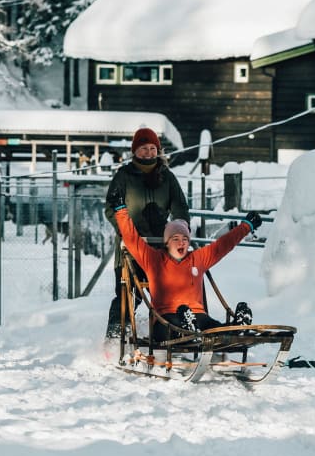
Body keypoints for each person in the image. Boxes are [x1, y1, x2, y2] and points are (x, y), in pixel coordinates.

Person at [109, 201, 263, 342]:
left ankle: (237, 330)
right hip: (165, 320)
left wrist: (246, 226)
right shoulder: (154, 259)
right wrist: (120, 210)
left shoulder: (198, 259)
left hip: (199, 316)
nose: (181, 242)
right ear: (167, 243)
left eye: (185, 239)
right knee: (177, 321)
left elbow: (223, 244)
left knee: (213, 327)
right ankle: (189, 331)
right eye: (175, 239)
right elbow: (132, 239)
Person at [102, 127, 190, 342]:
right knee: (128, 294)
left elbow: (180, 208)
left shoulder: (167, 177)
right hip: (131, 247)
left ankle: (164, 336)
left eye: (152, 148)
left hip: (161, 247)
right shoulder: (124, 175)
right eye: (143, 149)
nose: (148, 153)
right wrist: (127, 232)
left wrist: (179, 232)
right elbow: (111, 209)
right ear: (135, 151)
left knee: (165, 294)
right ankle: (115, 338)